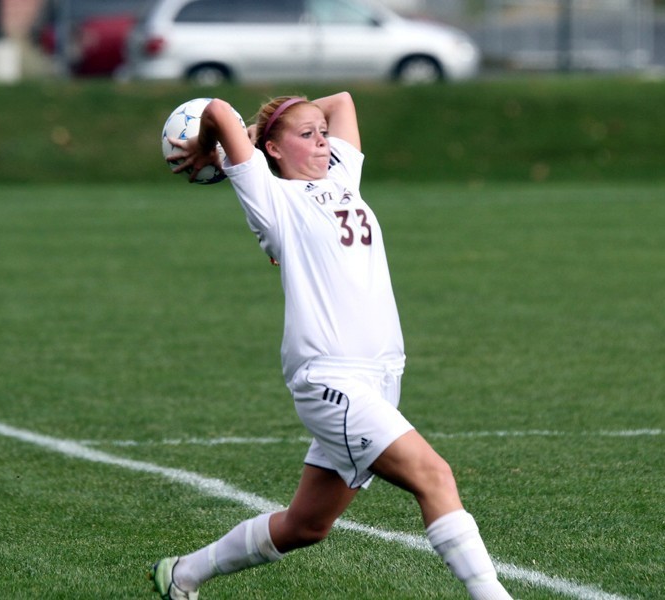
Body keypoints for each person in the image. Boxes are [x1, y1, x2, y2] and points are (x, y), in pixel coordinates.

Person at [150, 92, 512, 600]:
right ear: (273, 151)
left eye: (323, 134)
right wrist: (222, 146)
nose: (323, 142)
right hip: (332, 379)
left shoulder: (340, 177)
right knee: (434, 474)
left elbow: (341, 101)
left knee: (306, 525)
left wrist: (277, 124)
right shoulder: (270, 198)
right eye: (307, 136)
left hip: (381, 379)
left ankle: (182, 574)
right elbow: (215, 110)